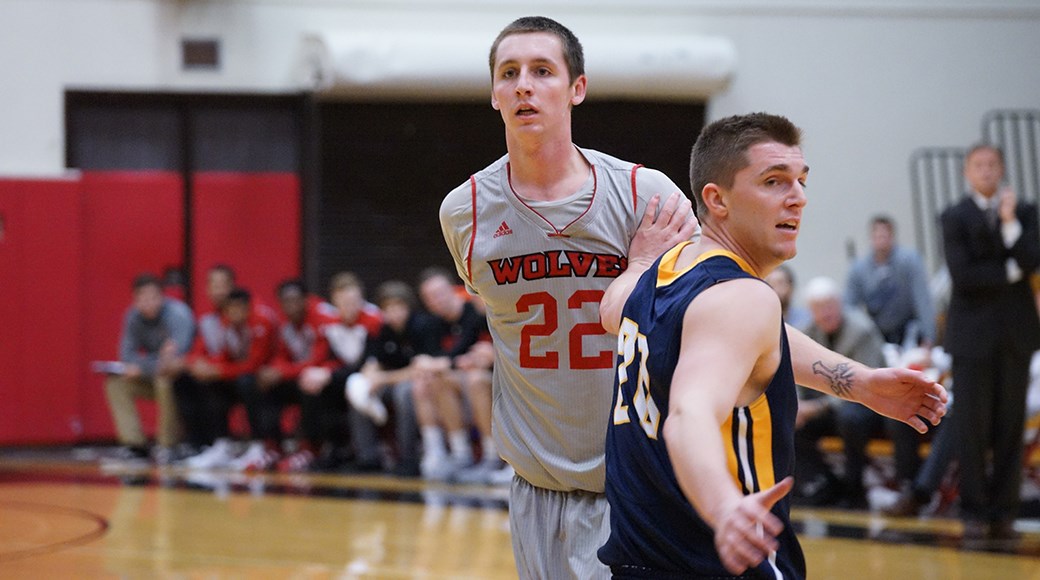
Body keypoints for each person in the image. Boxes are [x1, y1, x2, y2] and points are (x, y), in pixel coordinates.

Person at [598, 112, 947, 577]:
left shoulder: (663, 273)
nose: (798, 198)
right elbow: (689, 415)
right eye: (774, 182)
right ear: (717, 199)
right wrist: (724, 507)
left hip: (636, 562)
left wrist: (857, 382)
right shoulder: (745, 298)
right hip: (722, 561)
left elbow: (620, 309)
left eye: (801, 181)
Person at [438, 15, 701, 576]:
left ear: (577, 88)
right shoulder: (465, 212)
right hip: (535, 491)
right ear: (494, 94)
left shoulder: (645, 196)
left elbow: (727, 319)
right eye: (509, 73)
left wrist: (853, 380)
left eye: (542, 71)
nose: (524, 85)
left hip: (637, 488)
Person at [940, 143, 1040, 542]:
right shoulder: (954, 216)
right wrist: (1011, 269)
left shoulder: (1025, 212)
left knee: (1010, 430)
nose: (986, 171)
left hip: (1016, 336)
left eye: (992, 165)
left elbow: (1032, 259)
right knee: (972, 429)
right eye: (978, 165)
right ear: (967, 171)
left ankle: (1005, 514)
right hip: (970, 340)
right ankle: (974, 511)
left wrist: (1010, 225)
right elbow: (963, 275)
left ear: (1001, 170)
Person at [802, 275, 916, 509]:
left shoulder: (861, 330)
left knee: (850, 418)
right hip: (829, 405)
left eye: (830, 306)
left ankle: (854, 490)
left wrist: (815, 407)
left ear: (840, 304)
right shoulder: (807, 332)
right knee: (787, 420)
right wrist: (797, 406)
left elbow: (864, 386)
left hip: (870, 405)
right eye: (819, 309)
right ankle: (826, 484)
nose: (826, 314)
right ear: (811, 312)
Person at [343, 280, 438, 477]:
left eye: (398, 307)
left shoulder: (422, 326)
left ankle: (408, 457)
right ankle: (367, 456)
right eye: (388, 308)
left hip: (418, 381)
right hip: (390, 381)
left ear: (408, 306)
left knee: (404, 393)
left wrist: (383, 378)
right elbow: (372, 360)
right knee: (357, 391)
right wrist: (369, 373)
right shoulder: (381, 330)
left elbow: (419, 369)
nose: (394, 313)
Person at [175, 287, 276, 469]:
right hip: (241, 376)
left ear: (248, 309)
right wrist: (207, 367)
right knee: (212, 383)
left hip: (270, 379)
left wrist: (218, 370)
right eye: (230, 310)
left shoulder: (262, 322)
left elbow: (254, 365)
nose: (234, 314)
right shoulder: (225, 324)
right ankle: (221, 445)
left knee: (246, 382)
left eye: (238, 309)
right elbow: (224, 355)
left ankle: (258, 446)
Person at [410, 267, 493, 481]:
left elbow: (461, 354)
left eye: (438, 293)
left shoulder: (474, 313)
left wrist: (444, 363)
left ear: (453, 290)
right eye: (429, 297)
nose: (435, 300)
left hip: (488, 379)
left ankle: (492, 456)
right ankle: (455, 453)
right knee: (428, 382)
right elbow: (436, 360)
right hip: (461, 380)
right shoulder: (432, 323)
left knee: (473, 380)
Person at [102, 273, 195, 464]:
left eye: (153, 297)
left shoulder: (178, 315)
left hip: (186, 381)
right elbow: (127, 356)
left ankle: (168, 446)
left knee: (165, 379)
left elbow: (173, 360)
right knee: (116, 383)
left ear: (163, 297)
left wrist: (142, 366)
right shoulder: (132, 317)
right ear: (135, 300)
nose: (148, 302)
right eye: (142, 297)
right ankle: (134, 445)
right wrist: (147, 365)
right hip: (154, 373)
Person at [299, 271, 382, 470]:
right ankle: (325, 448)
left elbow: (366, 362)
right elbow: (326, 357)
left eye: (354, 301)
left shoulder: (374, 320)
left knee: (353, 388)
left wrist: (329, 374)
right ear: (335, 302)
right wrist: (316, 373)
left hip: (371, 375)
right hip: (345, 374)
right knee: (313, 388)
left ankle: (368, 454)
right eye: (344, 302)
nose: (349, 306)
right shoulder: (330, 324)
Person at [846, 214, 936, 347]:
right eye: (877, 236)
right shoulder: (858, 269)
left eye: (885, 236)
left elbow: (923, 299)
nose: (881, 241)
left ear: (892, 237)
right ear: (871, 238)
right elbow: (849, 307)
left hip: (908, 328)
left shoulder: (910, 261)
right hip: (876, 330)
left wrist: (928, 337)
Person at [764, 264, 812, 331]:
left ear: (791, 287)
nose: (775, 289)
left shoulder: (806, 319)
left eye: (780, 283)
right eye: (770, 284)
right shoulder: (760, 320)